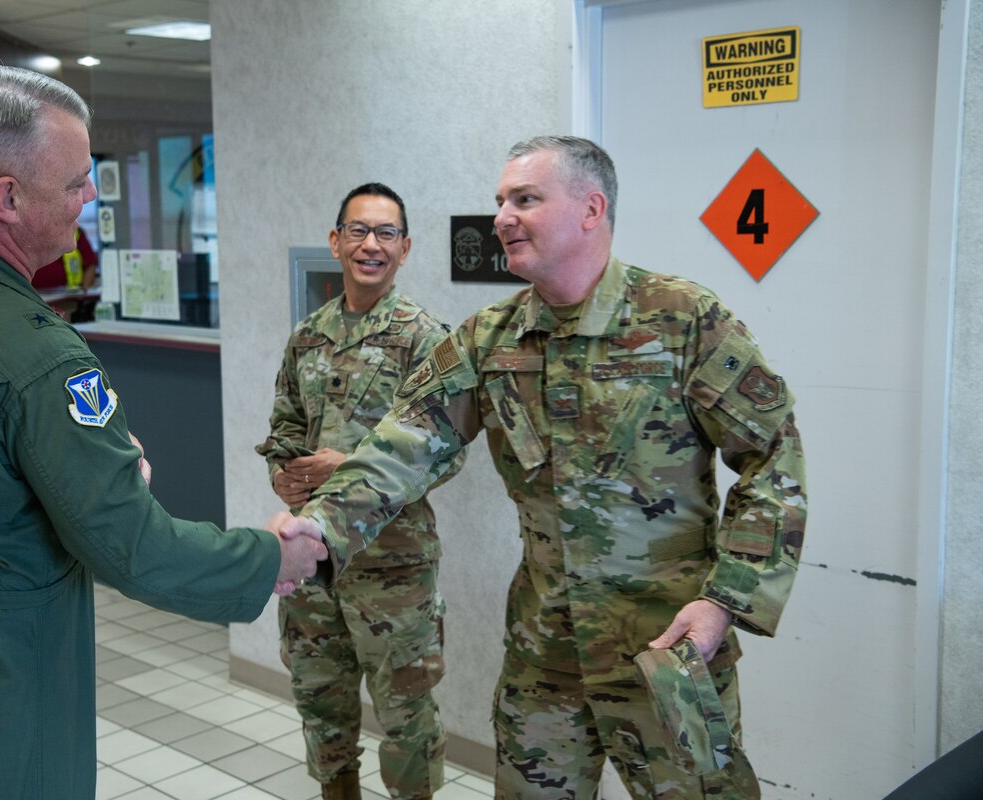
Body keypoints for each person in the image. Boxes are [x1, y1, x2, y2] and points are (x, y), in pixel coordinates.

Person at [0, 64, 326, 800]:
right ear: (7, 198)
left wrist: (73, 469)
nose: (91, 196)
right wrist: (272, 558)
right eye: (75, 182)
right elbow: (134, 551)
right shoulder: (38, 353)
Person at [298, 136, 806, 799]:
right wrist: (315, 529)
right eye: (500, 201)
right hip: (545, 658)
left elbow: (775, 462)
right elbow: (405, 444)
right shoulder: (489, 339)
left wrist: (725, 600)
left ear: (590, 209)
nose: (502, 217)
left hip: (666, 649)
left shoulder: (682, 321)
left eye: (525, 199)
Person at [257, 183, 465, 800]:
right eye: (357, 231)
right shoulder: (308, 335)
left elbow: (445, 450)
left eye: (385, 234)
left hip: (392, 566)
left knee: (405, 718)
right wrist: (281, 471)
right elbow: (284, 427)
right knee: (321, 705)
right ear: (335, 241)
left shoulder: (427, 339)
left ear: (404, 249)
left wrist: (343, 465)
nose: (370, 245)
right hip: (311, 562)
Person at [32, 225, 100, 321]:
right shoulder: (29, 230)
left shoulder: (75, 232)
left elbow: (90, 265)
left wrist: (84, 295)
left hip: (69, 299)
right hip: (35, 297)